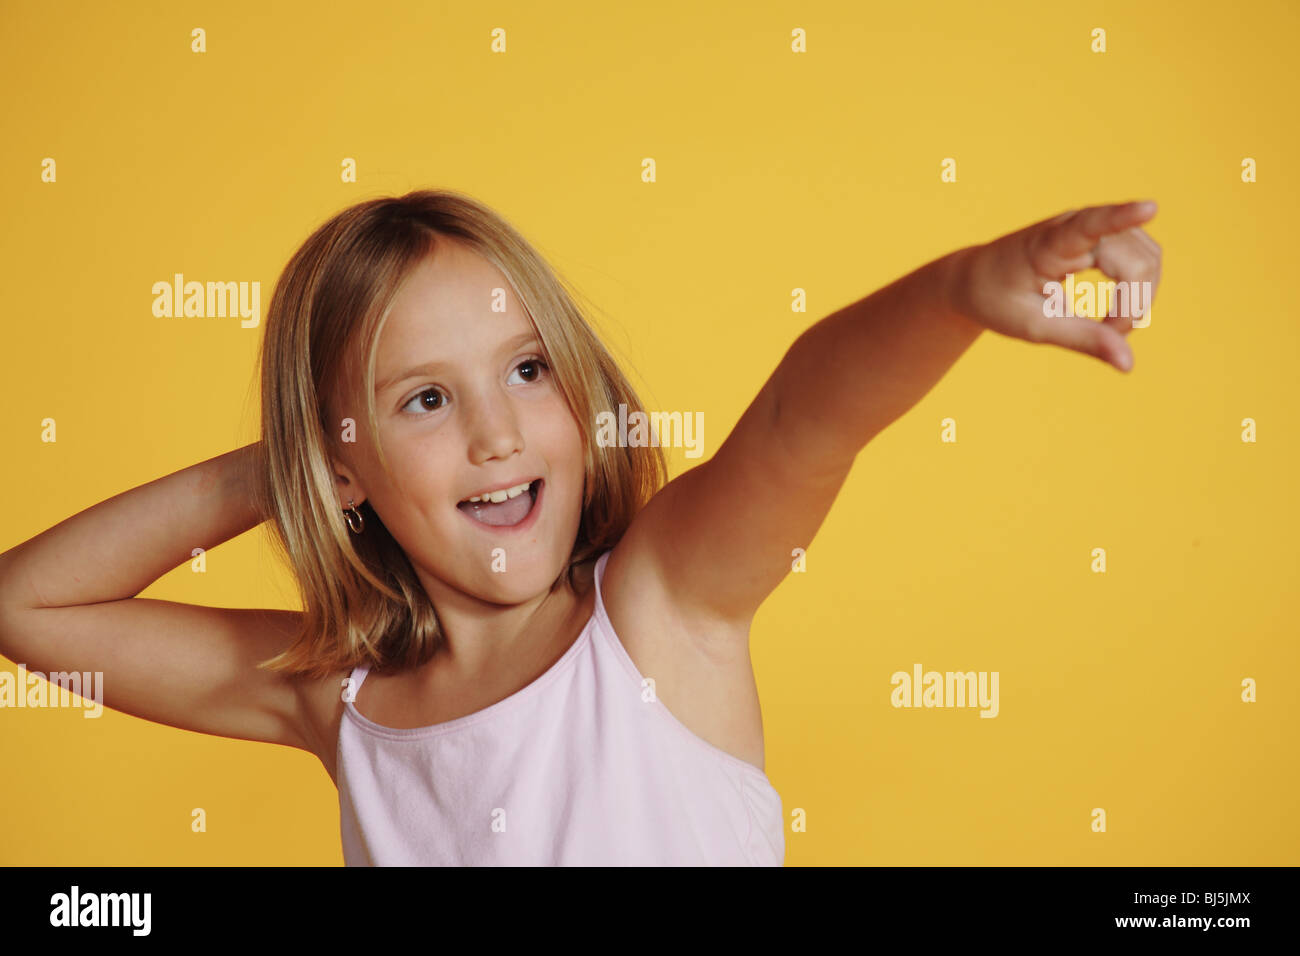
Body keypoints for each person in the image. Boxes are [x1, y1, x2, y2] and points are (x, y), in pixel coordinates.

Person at [0, 190, 1161, 865]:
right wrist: (294, 459)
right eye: (425, 399)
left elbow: (806, 416)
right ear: (345, 457)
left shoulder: (657, 610)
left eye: (524, 370)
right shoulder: (338, 696)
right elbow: (28, 607)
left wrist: (960, 288)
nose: (496, 433)